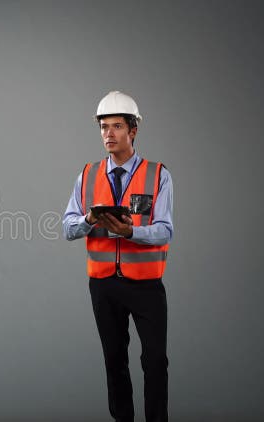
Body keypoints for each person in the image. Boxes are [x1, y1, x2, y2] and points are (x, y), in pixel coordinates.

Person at [62, 91, 174, 422]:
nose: (108, 134)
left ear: (133, 130)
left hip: (146, 286)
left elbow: (166, 230)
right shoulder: (87, 175)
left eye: (117, 126)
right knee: (114, 360)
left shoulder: (158, 175)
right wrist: (89, 220)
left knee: (155, 362)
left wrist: (131, 233)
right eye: (103, 127)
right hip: (103, 285)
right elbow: (68, 228)